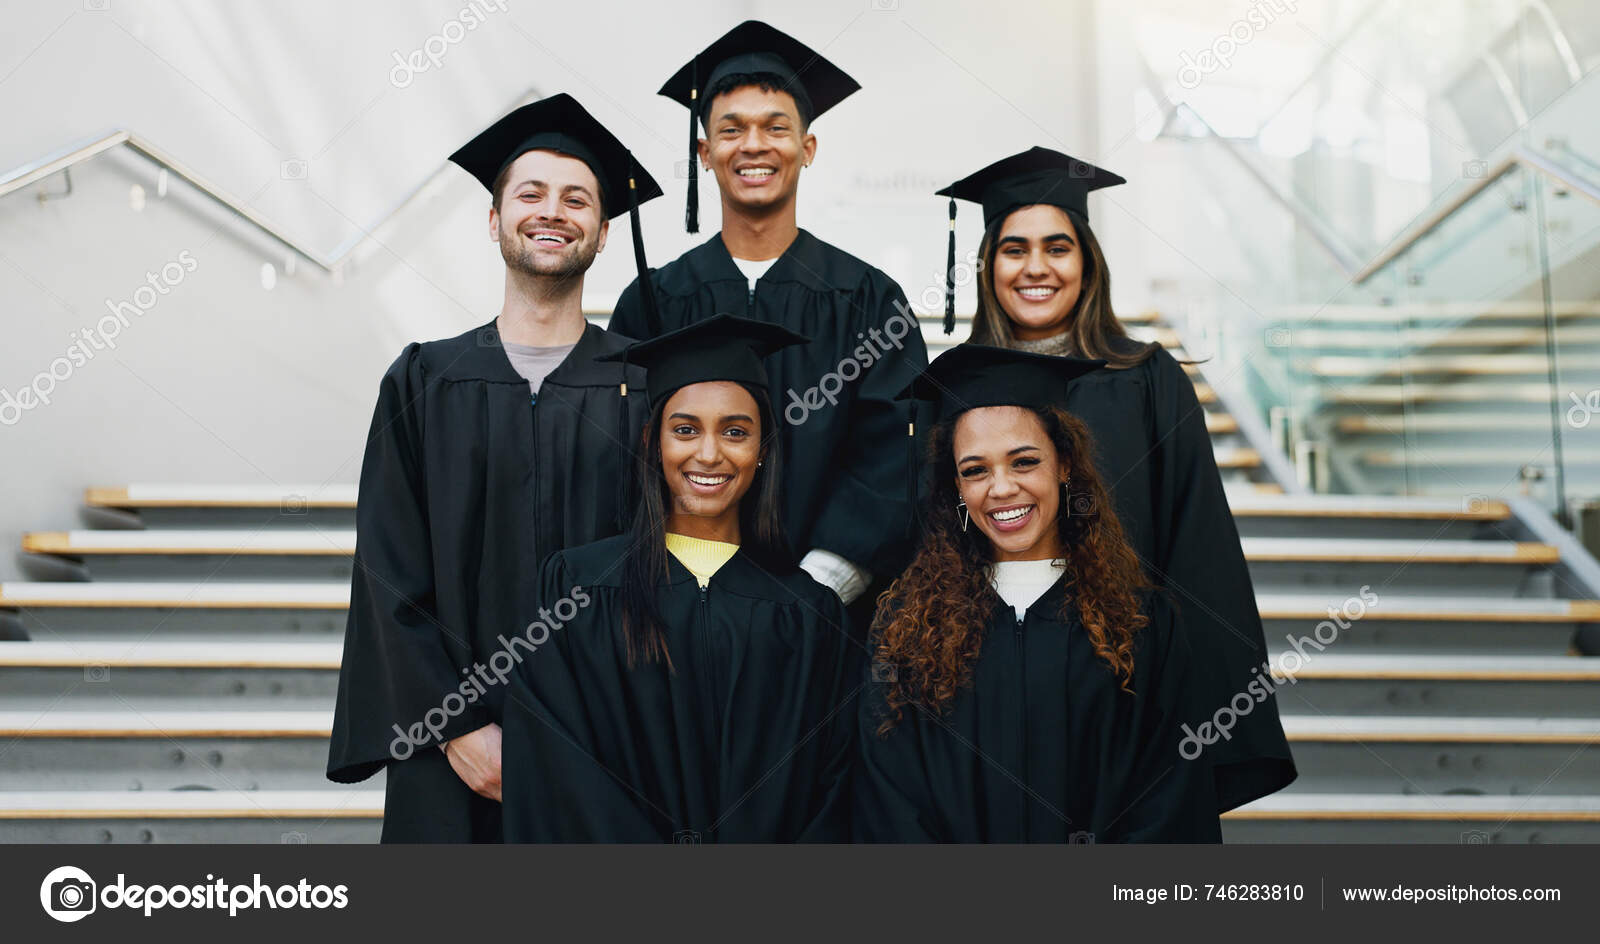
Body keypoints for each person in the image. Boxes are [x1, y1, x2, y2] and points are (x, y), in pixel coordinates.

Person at [327, 93, 662, 842]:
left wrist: (597, 732)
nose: (553, 212)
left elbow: (657, 570)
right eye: (531, 194)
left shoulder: (644, 387)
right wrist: (453, 723)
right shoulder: (423, 381)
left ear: (604, 232)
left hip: (608, 753)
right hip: (448, 754)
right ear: (493, 220)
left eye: (576, 199)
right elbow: (388, 567)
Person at [935, 148, 1296, 812]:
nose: (1036, 268)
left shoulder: (1146, 378)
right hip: (987, 679)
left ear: (1088, 263)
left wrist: (1197, 704)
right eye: (1014, 250)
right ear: (987, 266)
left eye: (1058, 248)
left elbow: (1198, 544)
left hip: (1128, 681)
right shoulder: (951, 390)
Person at [609, 21, 928, 616]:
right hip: (675, 606)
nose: (753, 145)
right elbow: (626, 448)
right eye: (731, 130)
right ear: (705, 154)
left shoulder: (869, 299)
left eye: (775, 128)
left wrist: (818, 590)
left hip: (831, 617)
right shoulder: (654, 301)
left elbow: (897, 455)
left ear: (808, 149)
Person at [501, 315, 859, 842]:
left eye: (735, 432)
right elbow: (554, 768)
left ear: (763, 449)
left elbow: (834, 787)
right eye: (685, 430)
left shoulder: (808, 615)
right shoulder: (579, 588)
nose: (709, 454)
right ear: (653, 442)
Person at [855, 345, 1221, 843]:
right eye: (975, 470)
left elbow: (1170, 797)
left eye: (1024, 462)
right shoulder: (907, 631)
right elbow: (891, 802)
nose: (1002, 488)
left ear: (1064, 465)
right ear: (955, 486)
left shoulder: (1140, 623)